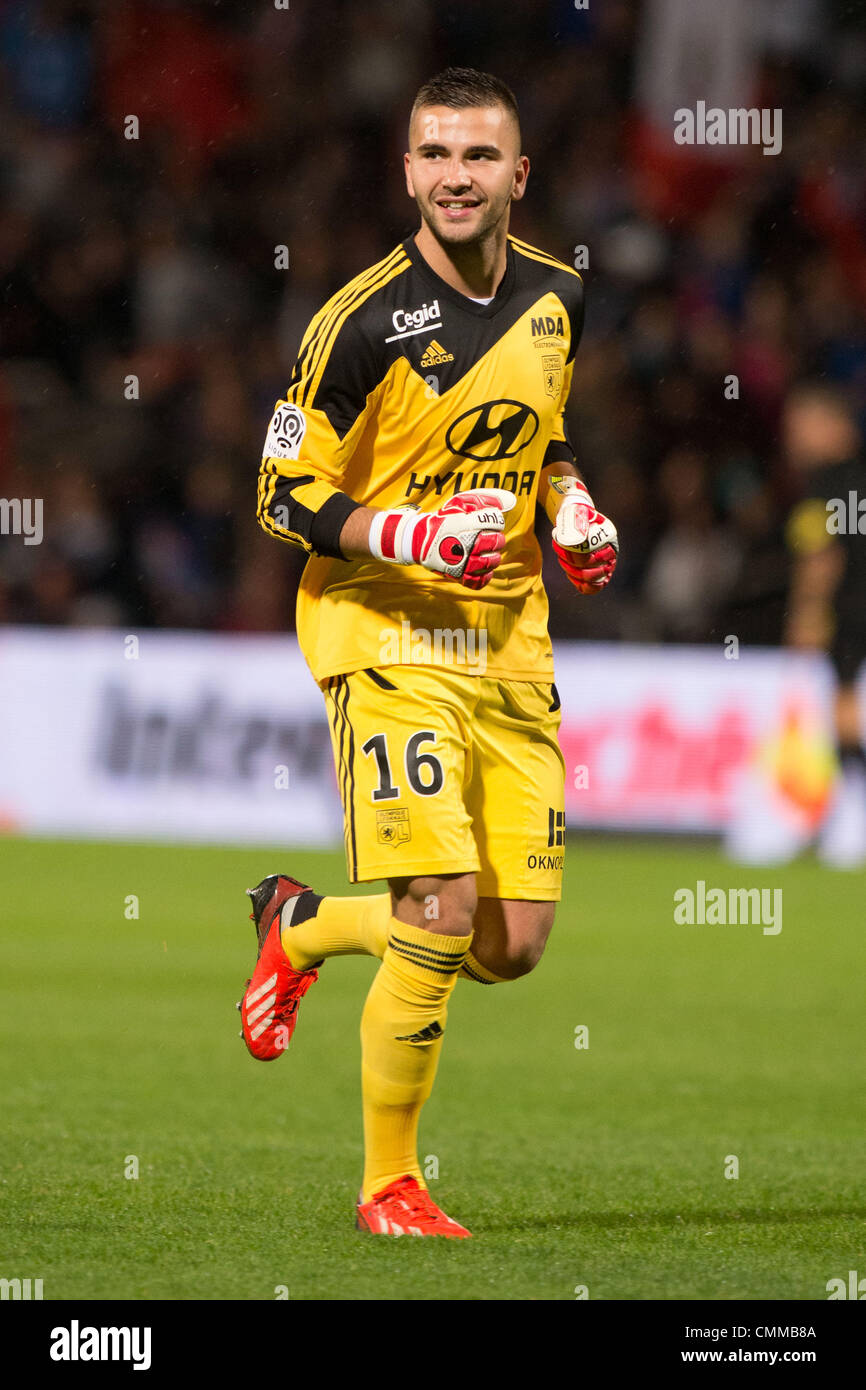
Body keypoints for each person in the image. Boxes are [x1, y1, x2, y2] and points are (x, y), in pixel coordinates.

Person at [237, 67, 618, 1238]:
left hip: (506, 639)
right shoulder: (352, 323)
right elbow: (276, 492)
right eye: (435, 155)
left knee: (508, 943)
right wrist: (398, 530)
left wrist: (569, 508)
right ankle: (386, 1183)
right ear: (406, 171)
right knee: (440, 903)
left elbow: (542, 440)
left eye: (478, 156)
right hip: (384, 627)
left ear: (518, 176)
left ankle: (296, 926)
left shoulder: (559, 297)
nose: (456, 176)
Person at [784, 382, 866, 867]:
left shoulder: (824, 488)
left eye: (803, 426)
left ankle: (850, 817)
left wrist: (808, 616)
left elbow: (820, 557)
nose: (793, 436)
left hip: (850, 622)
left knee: (841, 716)